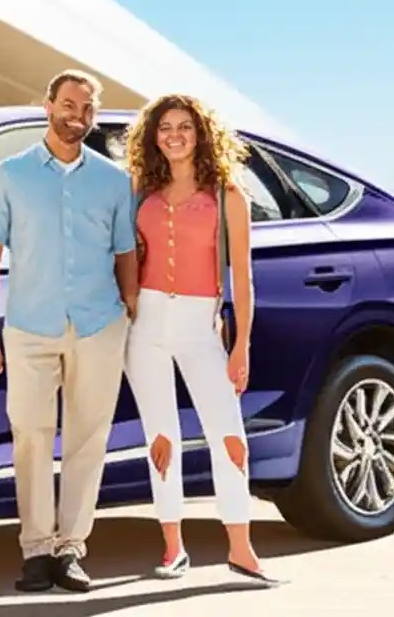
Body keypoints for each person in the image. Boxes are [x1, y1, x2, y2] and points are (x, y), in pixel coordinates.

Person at [0, 69, 139, 593]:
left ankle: (71, 549)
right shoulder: (10, 174)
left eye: (87, 108)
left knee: (89, 438)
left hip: (98, 324)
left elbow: (126, 253)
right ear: (47, 105)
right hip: (29, 325)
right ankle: (36, 549)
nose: (77, 116)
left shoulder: (114, 181)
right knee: (31, 435)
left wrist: (128, 310)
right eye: (69, 104)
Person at [122, 93, 279, 585]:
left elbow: (243, 279)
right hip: (143, 325)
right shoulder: (139, 192)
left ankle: (241, 549)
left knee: (229, 437)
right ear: (153, 136)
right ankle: (173, 548)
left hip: (199, 324)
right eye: (164, 127)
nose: (173, 135)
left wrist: (242, 345)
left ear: (201, 133)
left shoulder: (228, 195)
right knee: (161, 438)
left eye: (184, 126)